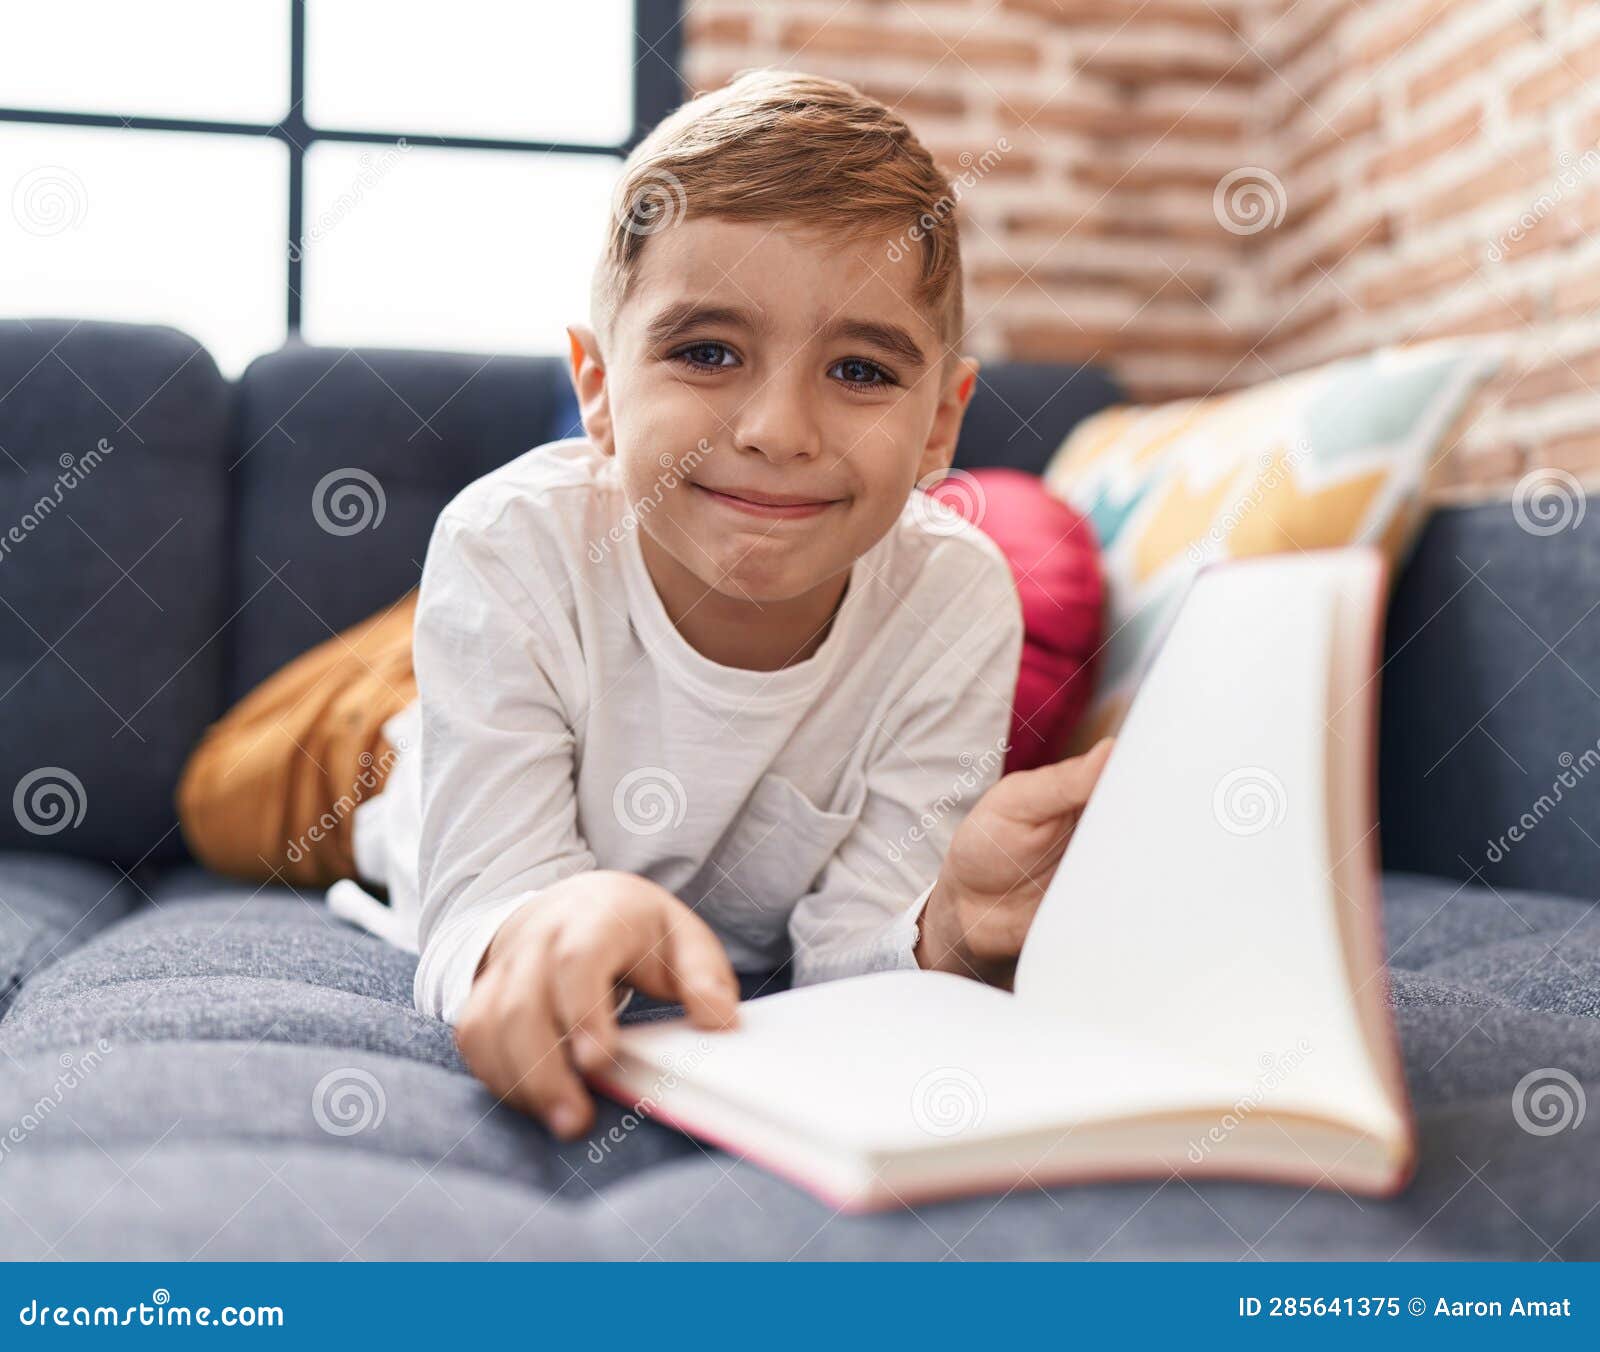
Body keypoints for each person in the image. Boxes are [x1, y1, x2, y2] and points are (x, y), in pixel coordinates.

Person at [178, 69, 1113, 1143]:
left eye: (859, 368)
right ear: (597, 386)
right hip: (379, 754)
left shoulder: (957, 597)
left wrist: (947, 925)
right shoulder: (507, 541)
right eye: (707, 351)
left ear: (942, 424)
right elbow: (483, 902)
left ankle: (463, 643)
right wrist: (554, 912)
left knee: (528, 593)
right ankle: (427, 652)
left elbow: (859, 939)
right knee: (217, 793)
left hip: (556, 604)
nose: (777, 428)